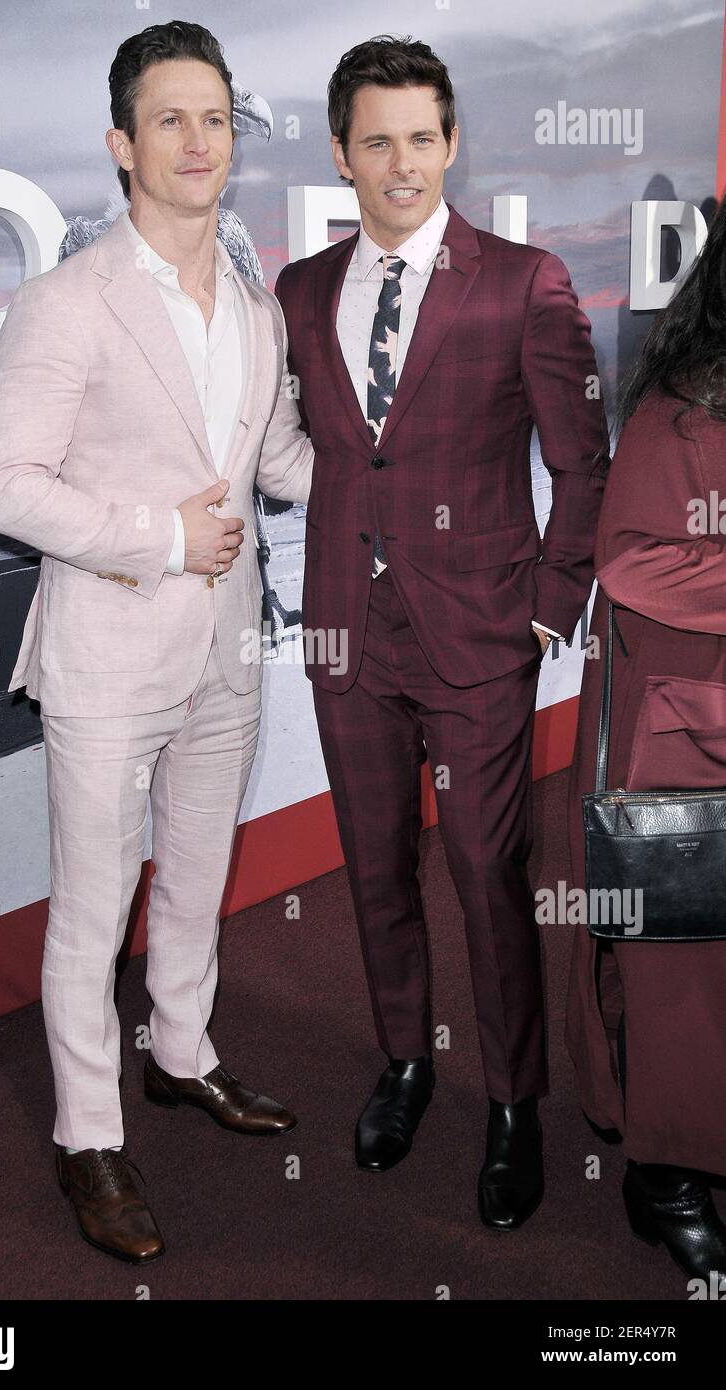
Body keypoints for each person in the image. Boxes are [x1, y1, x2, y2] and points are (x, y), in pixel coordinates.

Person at [0, 20, 313, 1264]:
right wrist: (162, 537)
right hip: (110, 659)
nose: (195, 140)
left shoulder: (258, 303)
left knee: (195, 876)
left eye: (213, 117)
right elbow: (5, 486)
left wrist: (394, 477)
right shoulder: (62, 300)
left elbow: (274, 466)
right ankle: (86, 1136)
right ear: (121, 143)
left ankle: (182, 1054)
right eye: (168, 118)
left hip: (227, 653)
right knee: (93, 907)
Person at [275, 34, 610, 1228]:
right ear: (341, 153)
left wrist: (542, 608)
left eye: (421, 138)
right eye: (376, 142)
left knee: (485, 874)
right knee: (373, 871)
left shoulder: (524, 281)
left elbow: (582, 461)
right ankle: (404, 1061)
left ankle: (513, 1099)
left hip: (477, 640)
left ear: (450, 142)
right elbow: (317, 455)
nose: (400, 164)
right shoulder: (301, 291)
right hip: (346, 641)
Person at [566, 193, 726, 1284]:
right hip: (688, 740)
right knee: (681, 977)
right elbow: (627, 561)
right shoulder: (677, 406)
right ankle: (664, 1172)